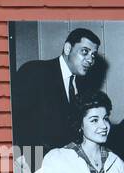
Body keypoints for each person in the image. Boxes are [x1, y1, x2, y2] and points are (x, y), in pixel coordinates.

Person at [11, 27, 102, 164]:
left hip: (64, 165)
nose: (90, 60)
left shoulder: (83, 87)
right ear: (67, 49)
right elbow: (17, 118)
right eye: (85, 52)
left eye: (93, 55)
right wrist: (27, 162)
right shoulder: (35, 71)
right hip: (32, 163)